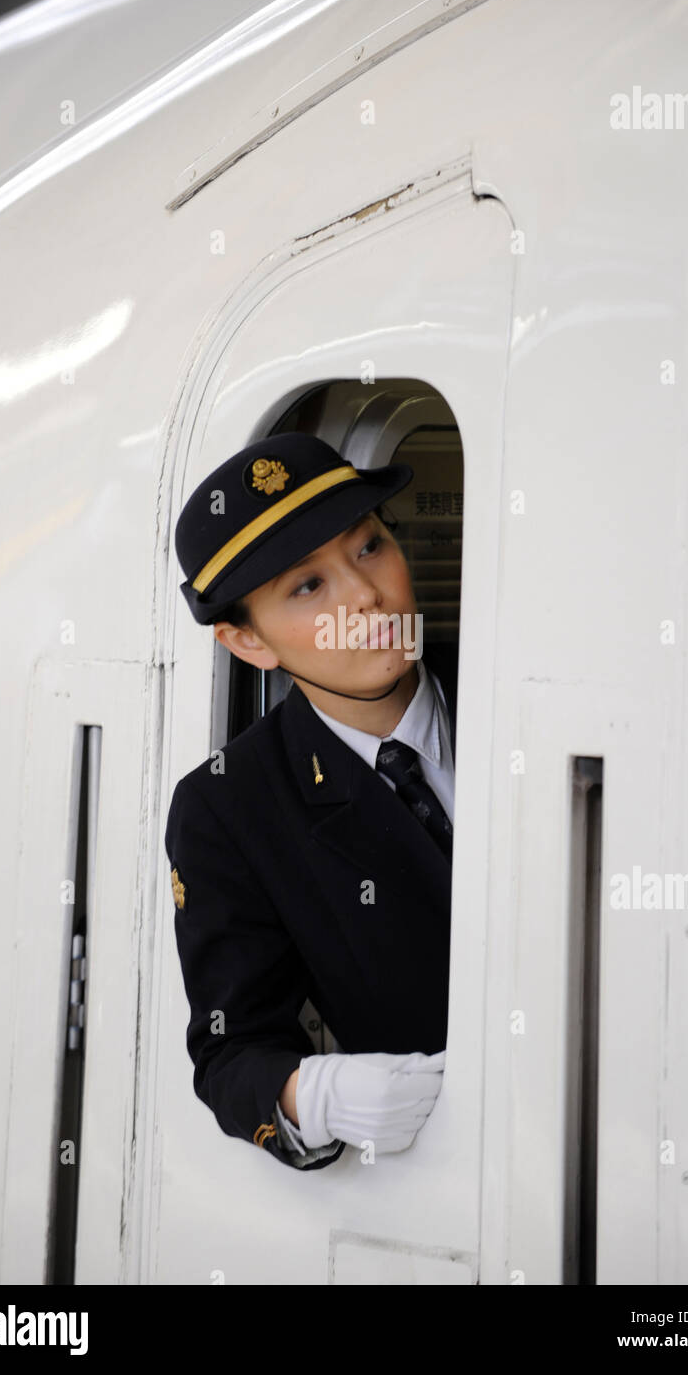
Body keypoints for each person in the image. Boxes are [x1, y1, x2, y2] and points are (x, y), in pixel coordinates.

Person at [165, 432, 457, 1169]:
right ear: (248, 643)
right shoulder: (230, 808)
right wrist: (314, 1094)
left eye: (367, 547)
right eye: (307, 586)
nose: (364, 596)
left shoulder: (525, 685)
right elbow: (232, 1054)